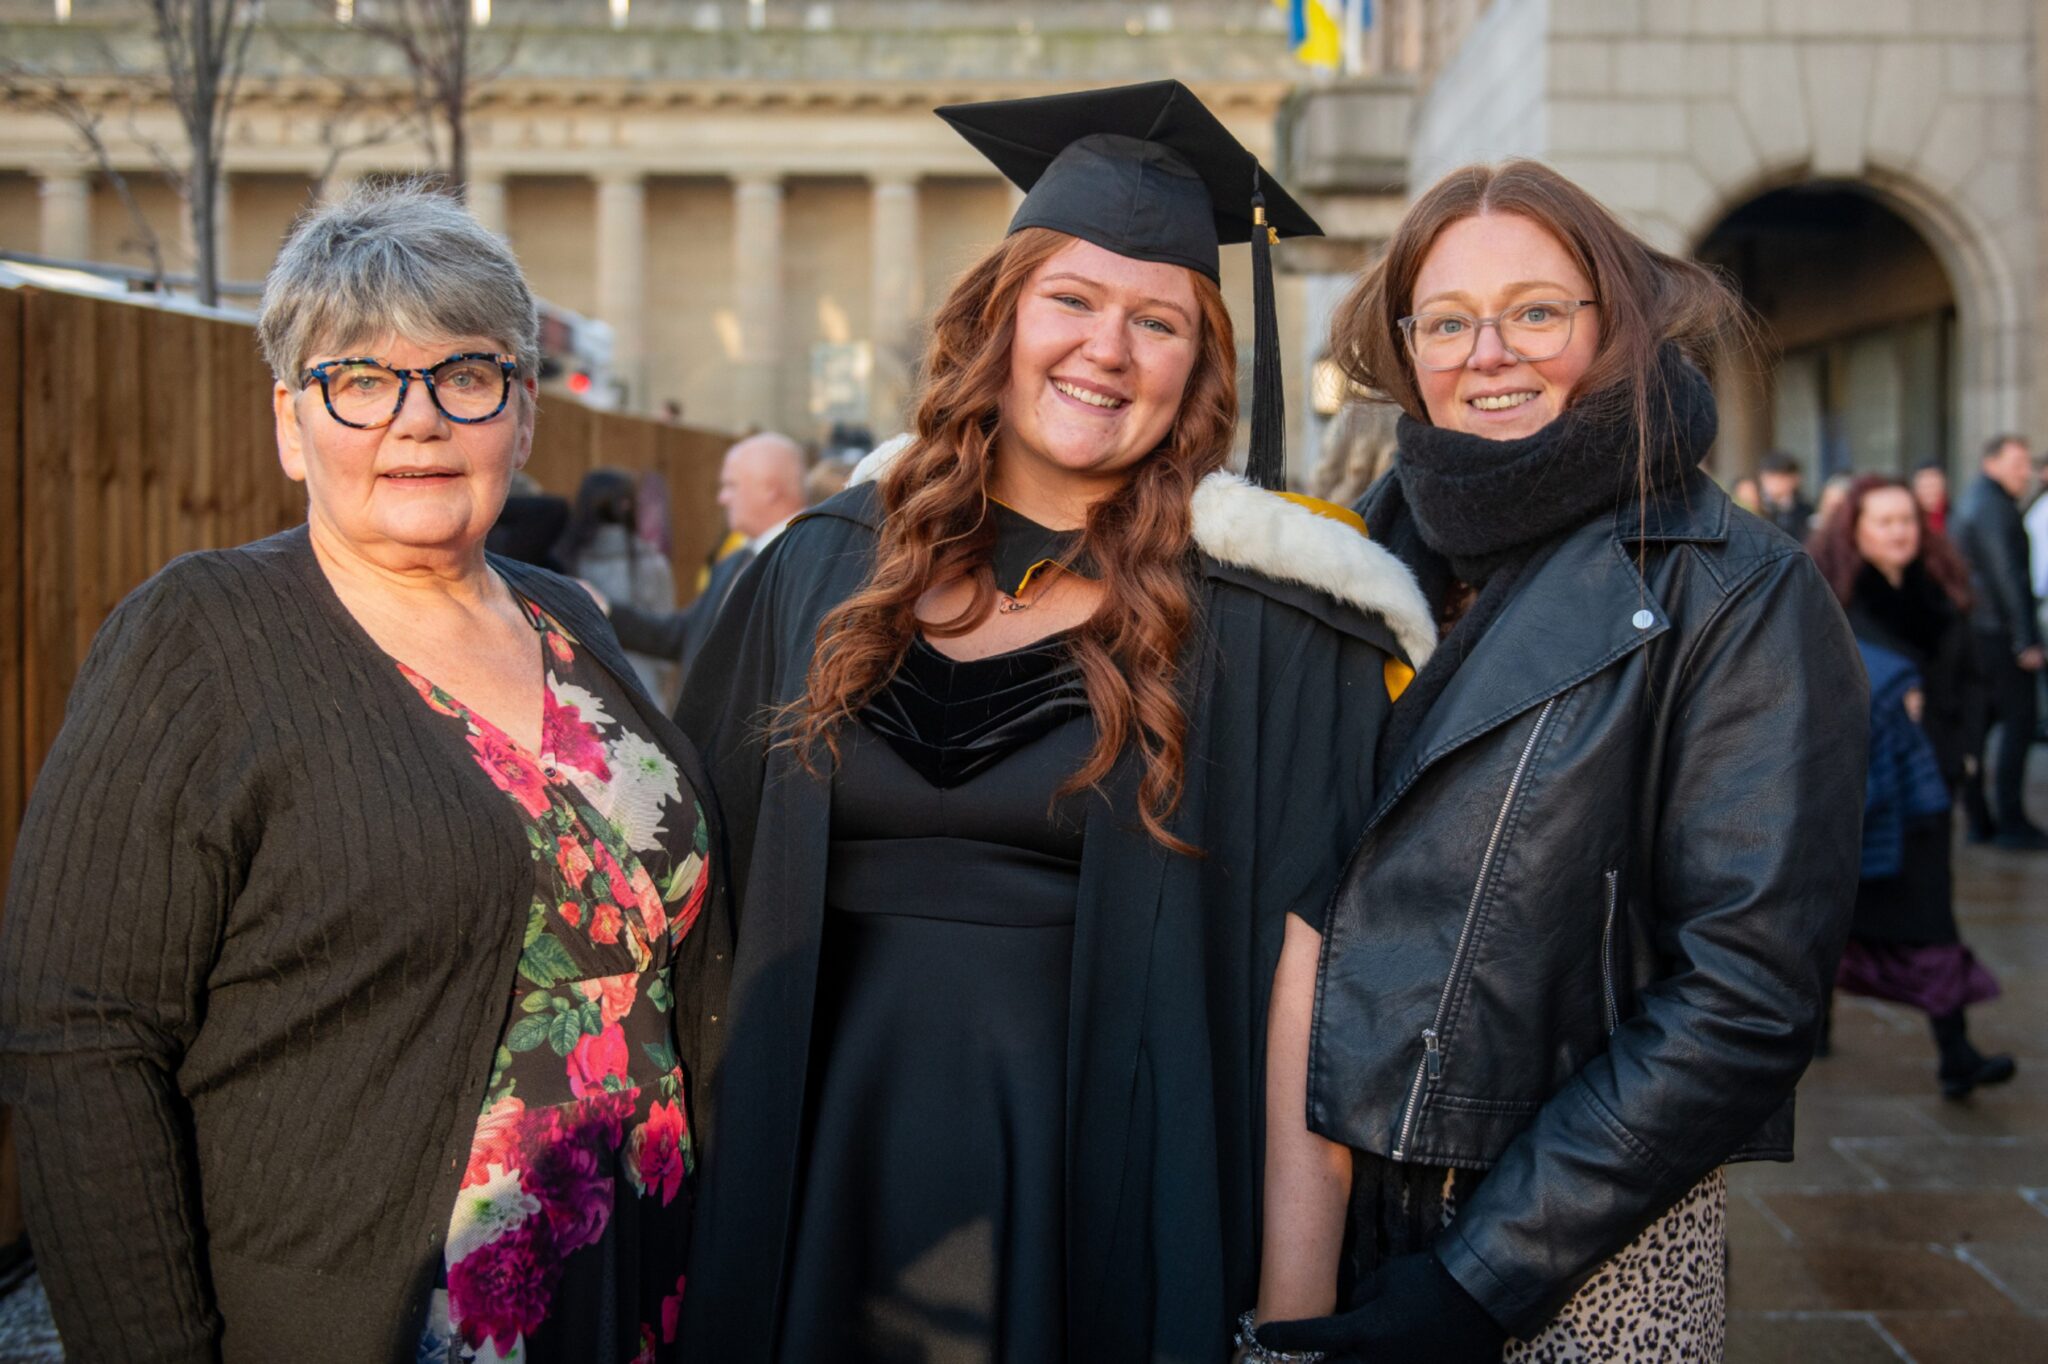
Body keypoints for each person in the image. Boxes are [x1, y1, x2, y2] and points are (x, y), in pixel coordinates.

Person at [674, 81, 1434, 1363]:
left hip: (1094, 1200)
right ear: (999, 315)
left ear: (1199, 368)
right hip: (806, 1166)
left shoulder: (1269, 636)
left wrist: (1293, 1318)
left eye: (1158, 321)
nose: (1107, 349)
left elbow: (1318, 1003)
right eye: (1071, 299)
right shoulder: (814, 572)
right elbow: (679, 894)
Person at [0, 183, 726, 1362]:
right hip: (379, 1310)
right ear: (292, 422)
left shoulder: (569, 622)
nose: (419, 419)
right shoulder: (200, 636)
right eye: (360, 379)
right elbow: (79, 1037)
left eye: (465, 375)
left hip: (637, 1278)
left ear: (522, 415)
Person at [1253, 160, 1865, 1364]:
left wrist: (1480, 1277)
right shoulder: (1345, 565)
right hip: (1317, 1210)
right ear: (1404, 350)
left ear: (1613, 326)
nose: (1489, 352)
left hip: (1569, 1245)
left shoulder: (1733, 586)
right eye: (1446, 320)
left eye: (1535, 309)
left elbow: (1742, 995)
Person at [1808, 476, 2012, 1099]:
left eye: (1907, 520)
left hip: (1930, 789)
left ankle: (1956, 1054)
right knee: (1831, 918)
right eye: (1885, 521)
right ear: (1855, 531)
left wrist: (1967, 753)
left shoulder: (1943, 593)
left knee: (1934, 919)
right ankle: (1813, 1024)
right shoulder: (1832, 601)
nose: (1900, 531)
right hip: (1864, 792)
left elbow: (1974, 683)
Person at [608, 432, 807, 682]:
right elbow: (682, 635)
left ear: (769, 488)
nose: (721, 498)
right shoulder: (736, 562)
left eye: (731, 485)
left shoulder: (813, 559)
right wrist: (603, 609)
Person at [1952, 433, 2046, 848]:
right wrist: (2026, 640)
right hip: (1997, 635)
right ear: (1991, 463)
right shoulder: (1993, 507)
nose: (2024, 472)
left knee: (1981, 725)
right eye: (2016, 463)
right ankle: (2008, 821)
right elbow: (2009, 577)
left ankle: (1981, 818)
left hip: (1983, 631)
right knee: (2017, 723)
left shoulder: (1982, 500)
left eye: (2026, 464)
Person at [559, 466, 679, 698]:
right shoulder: (651, 563)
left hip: (578, 688)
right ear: (627, 506)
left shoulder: (564, 561)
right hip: (642, 689)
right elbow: (667, 635)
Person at [1758, 449, 1816, 539]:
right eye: (1769, 478)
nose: (1772, 484)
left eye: (1779, 478)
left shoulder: (1807, 510)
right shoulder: (1757, 507)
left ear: (1795, 479)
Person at [1913, 457, 1951, 536]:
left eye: (1933, 485)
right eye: (1925, 486)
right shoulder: (1910, 521)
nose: (1929, 491)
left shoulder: (1955, 519)